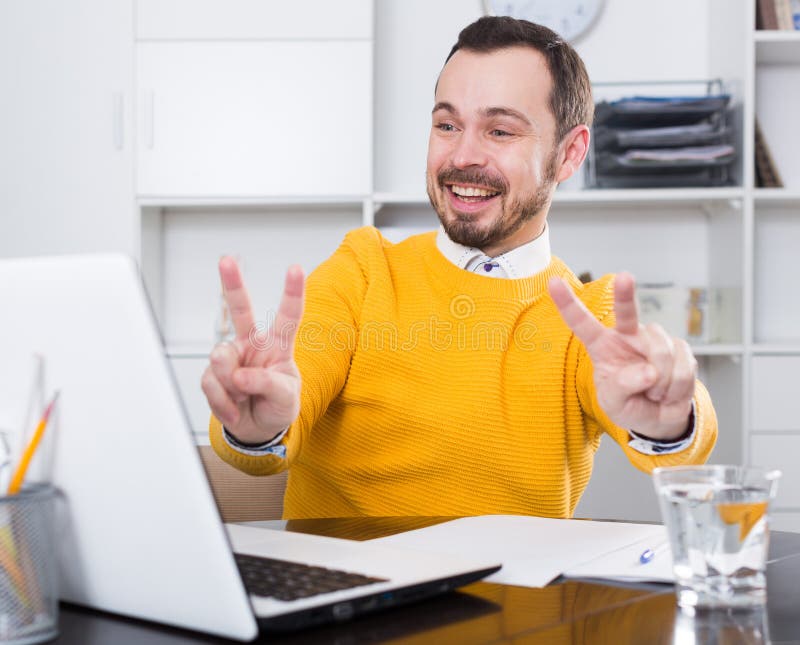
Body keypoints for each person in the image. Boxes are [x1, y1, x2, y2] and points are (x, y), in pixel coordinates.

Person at [201, 16, 717, 519]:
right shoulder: (362, 270)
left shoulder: (587, 313)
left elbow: (676, 445)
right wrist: (259, 429)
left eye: (500, 131)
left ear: (569, 154)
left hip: (516, 580)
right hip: (346, 576)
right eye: (447, 125)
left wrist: (670, 421)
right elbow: (282, 411)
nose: (463, 156)